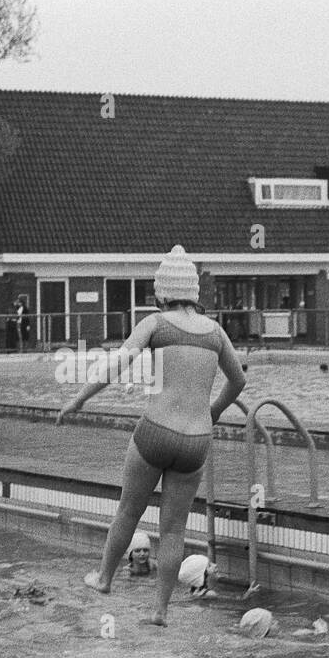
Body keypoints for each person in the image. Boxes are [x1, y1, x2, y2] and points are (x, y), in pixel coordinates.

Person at [56, 245, 246, 626]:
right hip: (196, 441)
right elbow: (238, 379)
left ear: (162, 292)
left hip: (156, 431)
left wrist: (77, 400)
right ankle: (160, 610)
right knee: (174, 528)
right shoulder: (216, 331)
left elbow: (116, 364)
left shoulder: (156, 323)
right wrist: (213, 412)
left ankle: (105, 578)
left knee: (129, 509)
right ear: (194, 293)